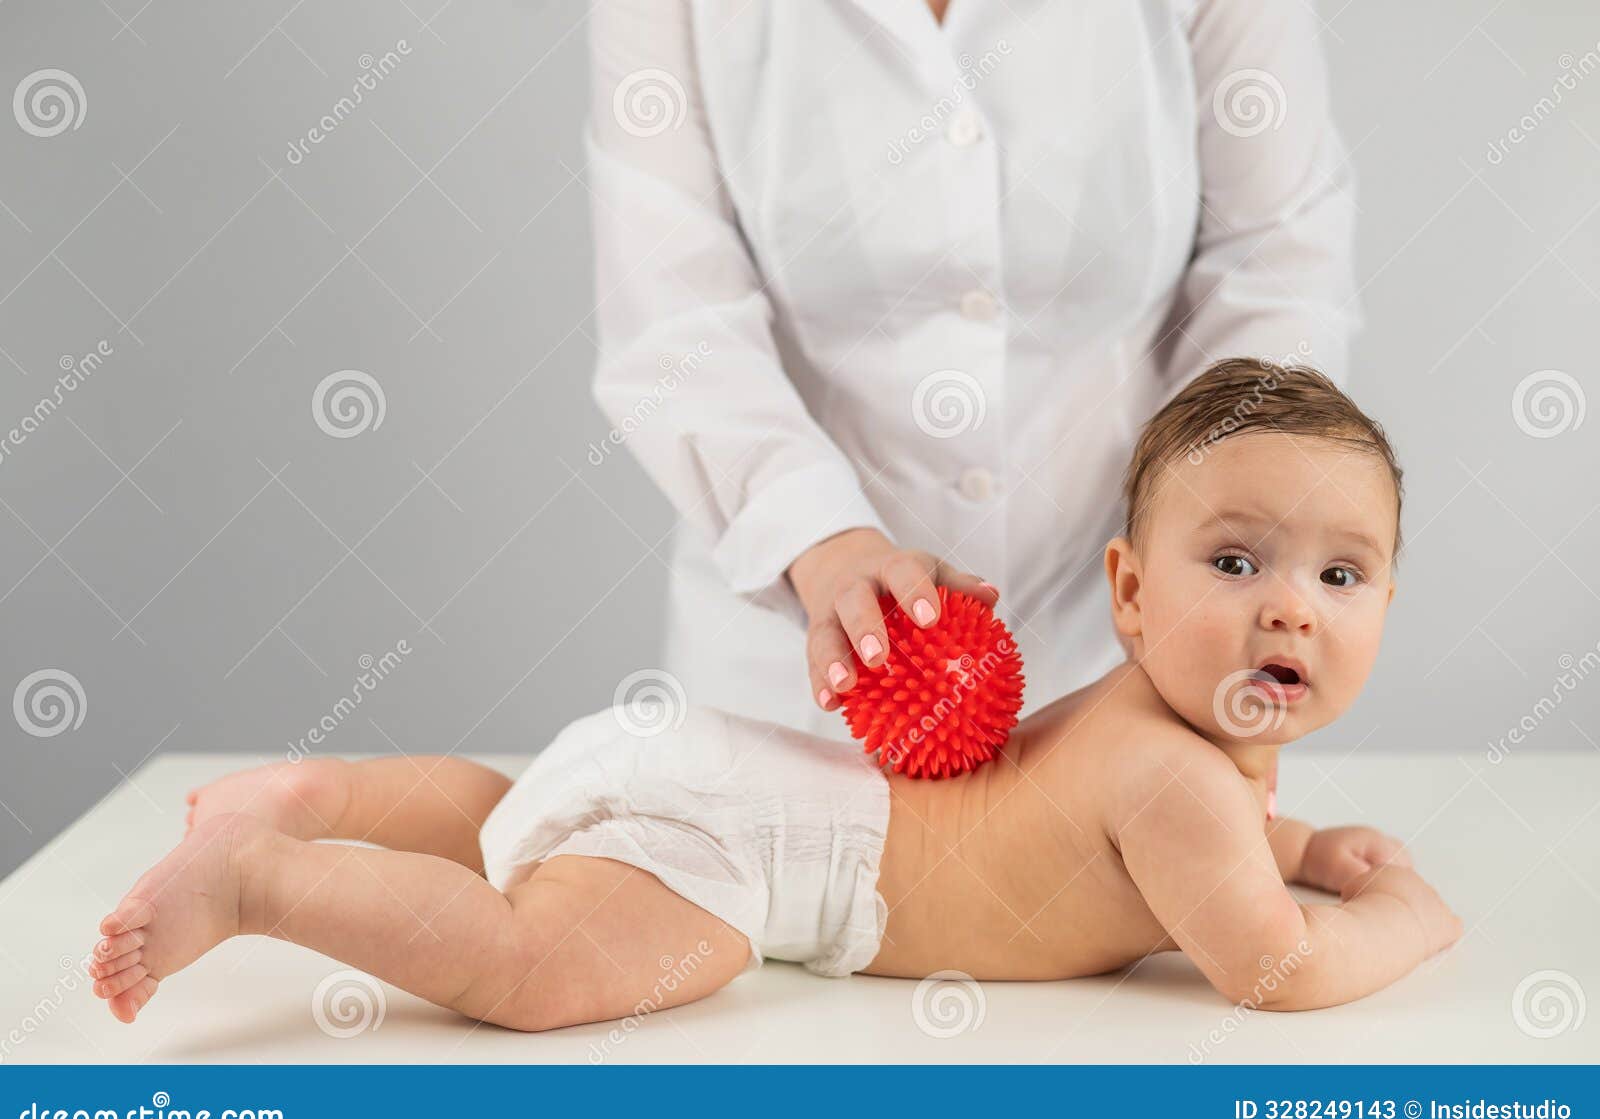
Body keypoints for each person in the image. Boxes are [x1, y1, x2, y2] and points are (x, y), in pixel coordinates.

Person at [88, 358, 1460, 1028]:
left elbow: (1140, 850)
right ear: (1133, 591)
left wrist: (1297, 842)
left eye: (1343, 576)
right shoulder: (1172, 774)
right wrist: (1396, 910)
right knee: (536, 959)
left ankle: (320, 788)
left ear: (1391, 605)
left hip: (719, 761)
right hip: (763, 856)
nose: (1290, 602)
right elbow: (1272, 962)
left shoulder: (1150, 736)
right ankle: (270, 878)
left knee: (522, 816)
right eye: (1237, 559)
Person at [585, 0, 1361, 739]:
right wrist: (827, 549)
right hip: (789, 682)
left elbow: (1278, 267)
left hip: (1116, 663)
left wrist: (1209, 563)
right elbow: (675, 320)